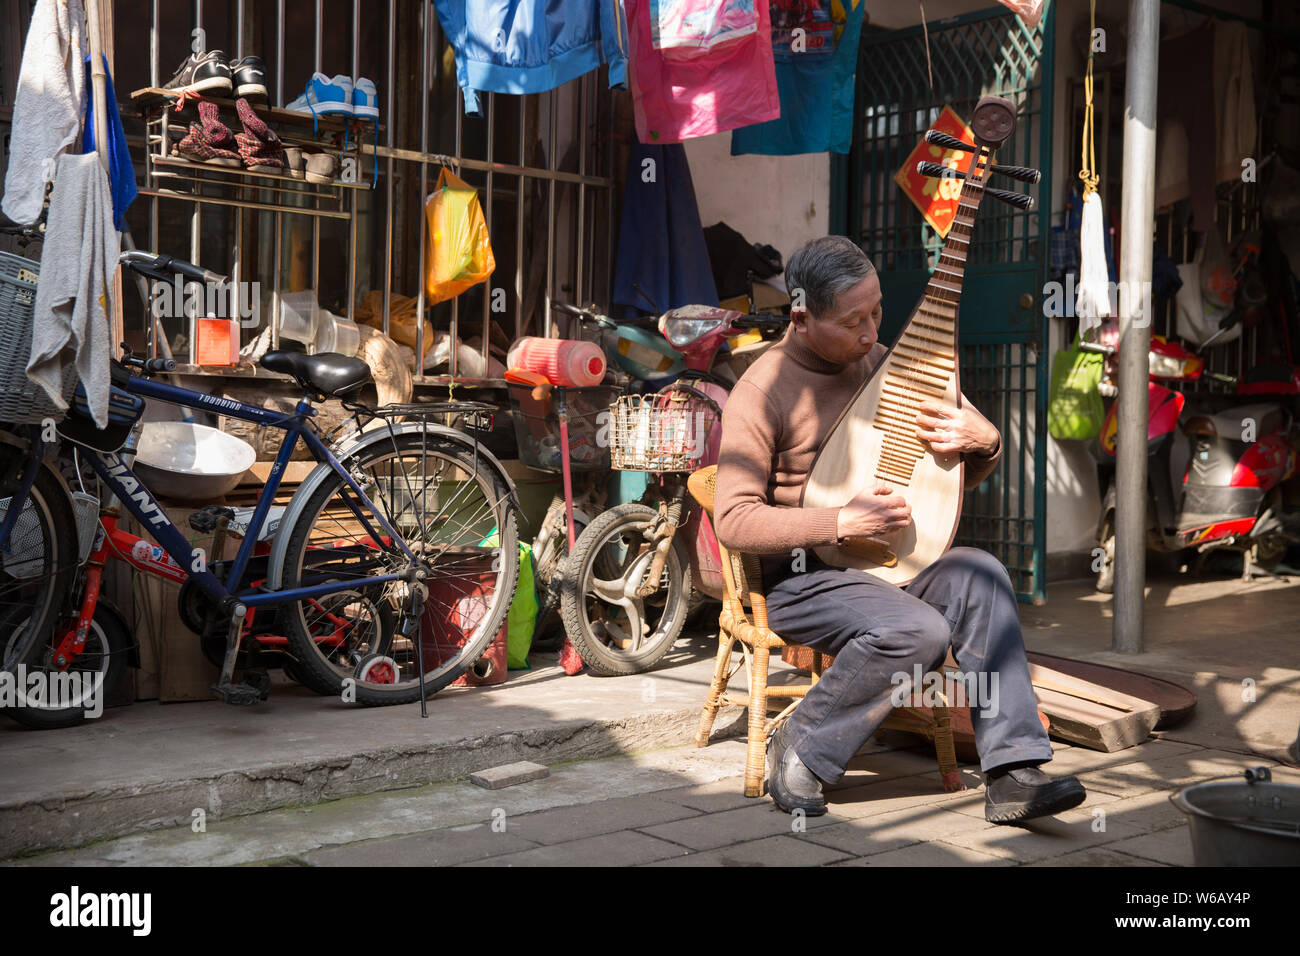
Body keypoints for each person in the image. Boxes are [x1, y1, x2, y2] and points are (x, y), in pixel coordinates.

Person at [714, 236, 1085, 823]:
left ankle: (1013, 771)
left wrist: (984, 443)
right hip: (804, 579)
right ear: (802, 317)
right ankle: (802, 743)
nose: (869, 334)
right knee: (918, 630)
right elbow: (733, 520)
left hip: (891, 563)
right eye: (852, 321)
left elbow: (938, 480)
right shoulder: (761, 391)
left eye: (877, 312)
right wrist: (838, 520)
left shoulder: (884, 363)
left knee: (982, 575)